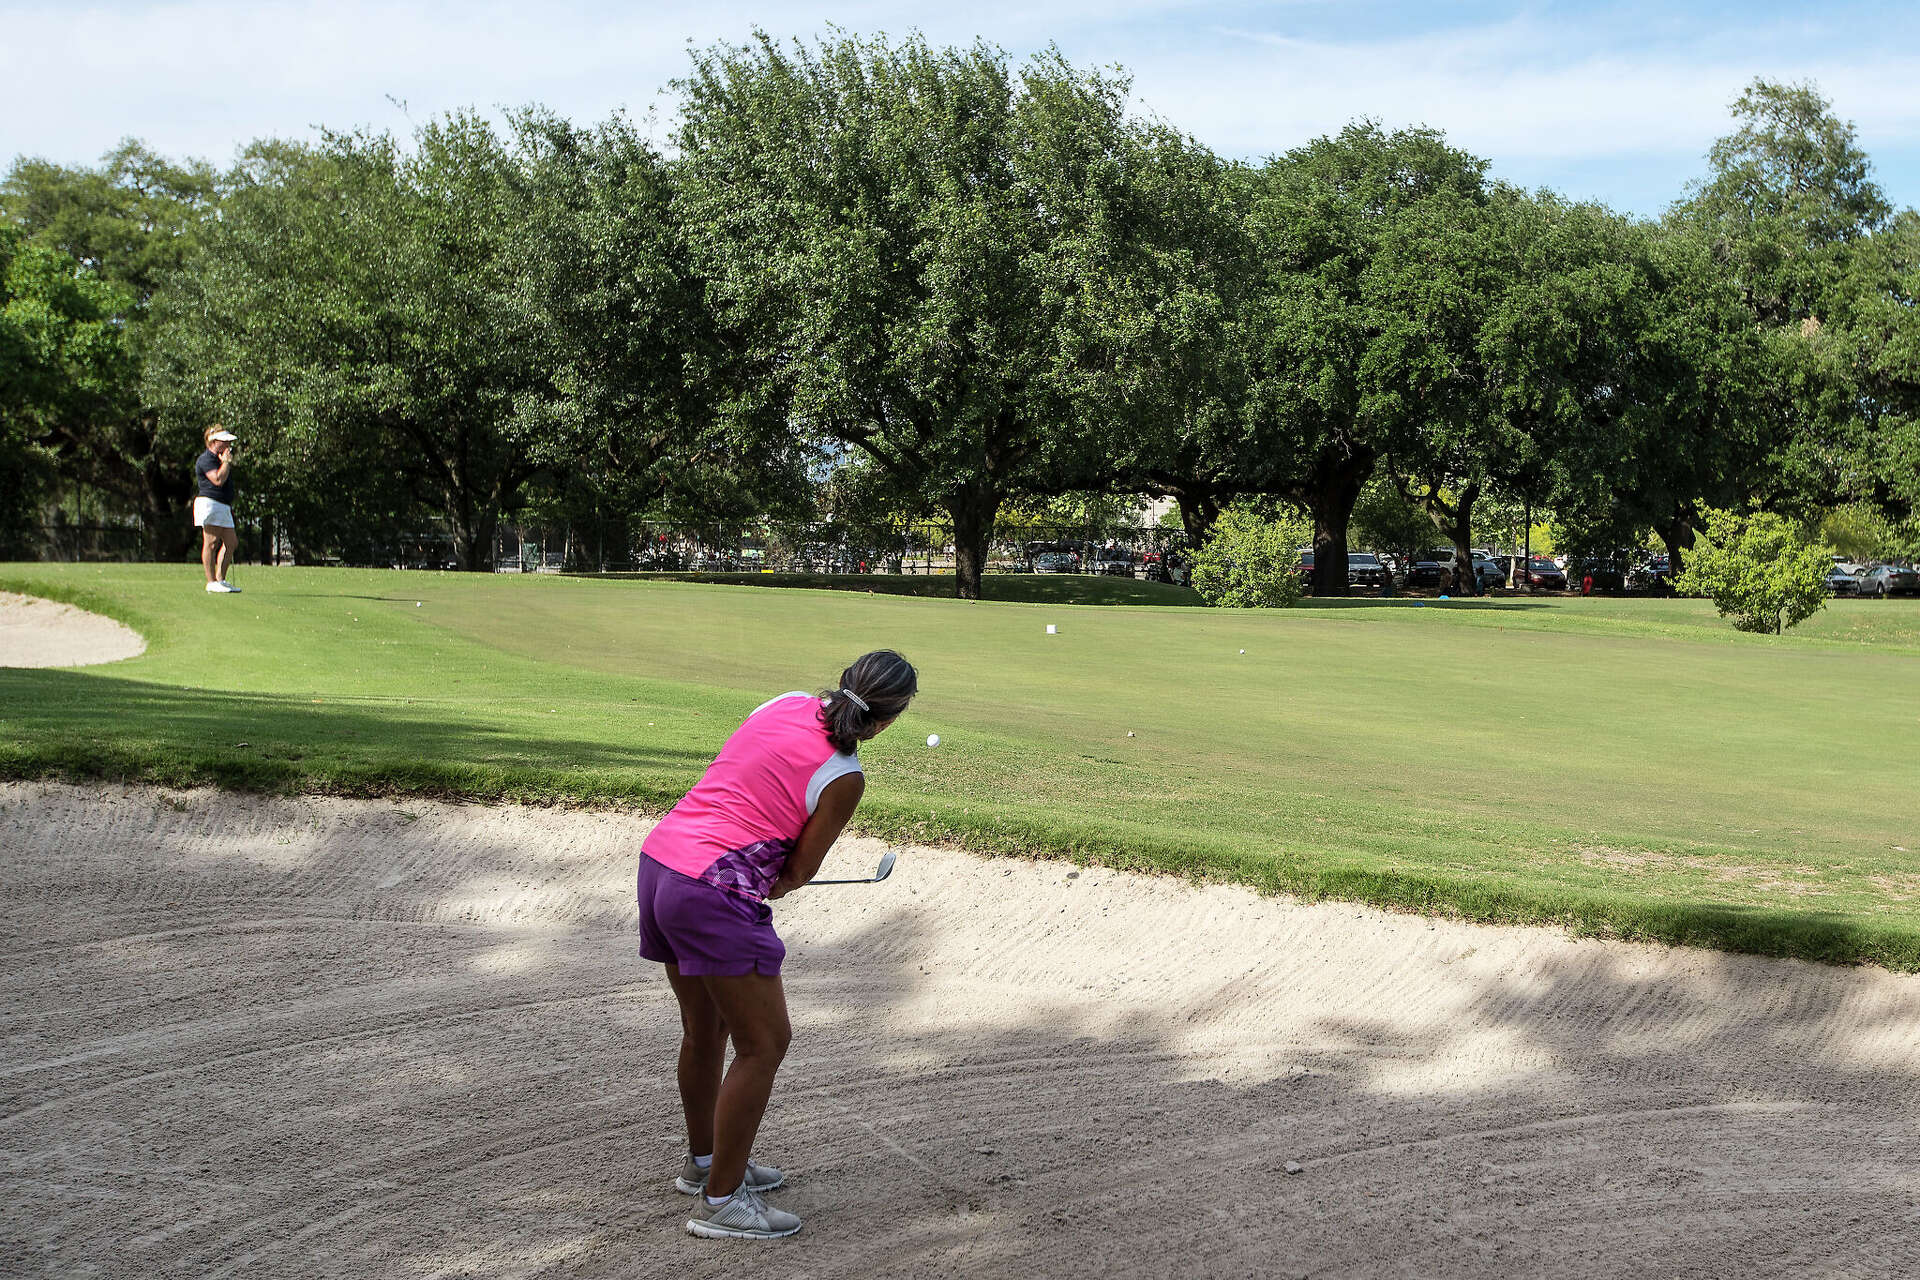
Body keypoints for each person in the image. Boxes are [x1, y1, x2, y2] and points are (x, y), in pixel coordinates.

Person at [637, 650, 919, 1240]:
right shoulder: (844, 775)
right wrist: (776, 879)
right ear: (891, 720)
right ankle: (721, 1203)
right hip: (712, 893)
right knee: (765, 1043)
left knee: (705, 1030)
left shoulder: (784, 702)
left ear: (843, 680)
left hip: (661, 862)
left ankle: (708, 1163)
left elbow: (742, 780)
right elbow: (799, 869)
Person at [193, 427, 241, 593]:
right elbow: (218, 479)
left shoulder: (220, 458)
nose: (228, 444)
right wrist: (226, 462)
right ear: (214, 442)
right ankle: (211, 581)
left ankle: (220, 579)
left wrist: (225, 461)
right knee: (211, 543)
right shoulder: (206, 459)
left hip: (222, 505)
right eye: (225, 441)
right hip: (210, 503)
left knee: (231, 543)